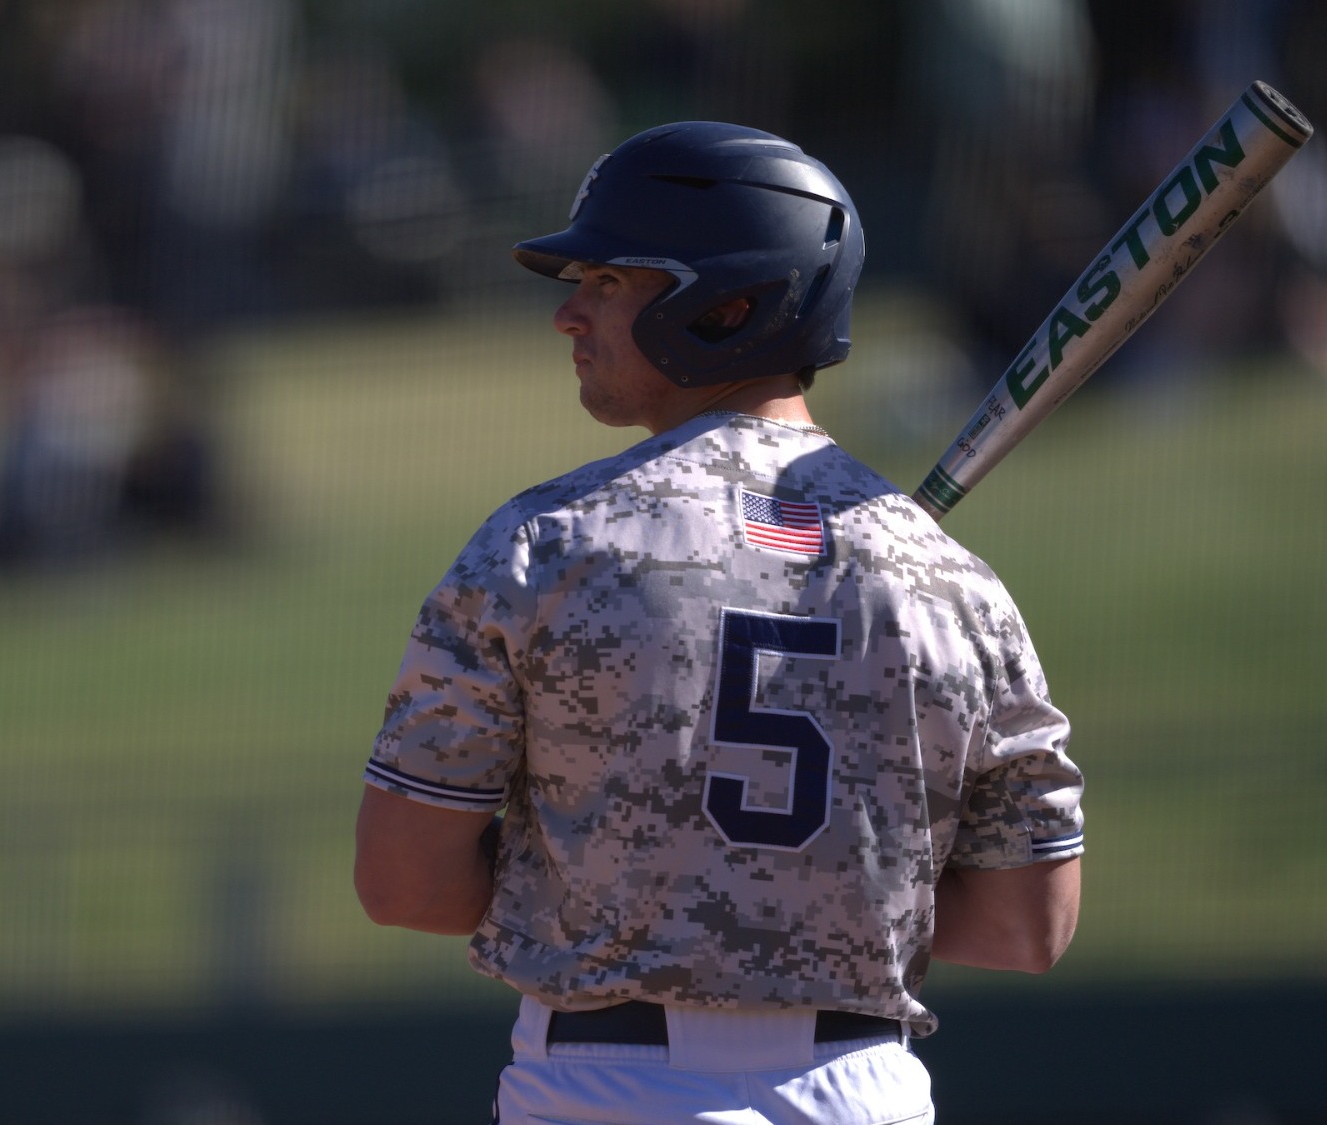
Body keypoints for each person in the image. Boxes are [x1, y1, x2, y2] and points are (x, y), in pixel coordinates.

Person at [353, 122, 1085, 1125]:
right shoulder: (950, 582)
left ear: (728, 306)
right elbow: (1025, 923)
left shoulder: (548, 543)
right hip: (862, 1093)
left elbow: (403, 884)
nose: (569, 313)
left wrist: (618, 883)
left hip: (609, 1091)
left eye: (609, 281)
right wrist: (808, 906)